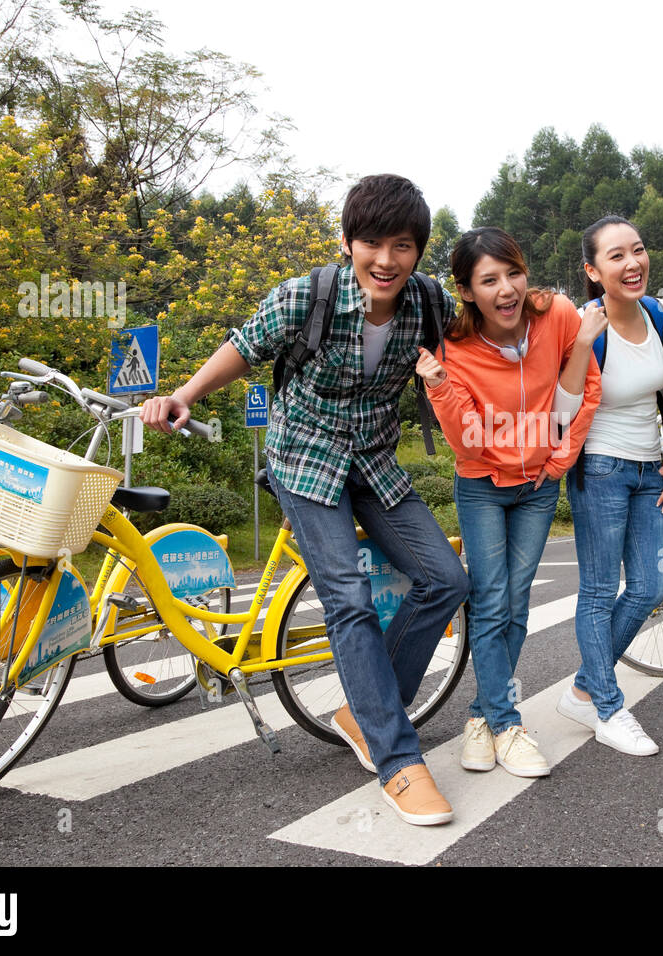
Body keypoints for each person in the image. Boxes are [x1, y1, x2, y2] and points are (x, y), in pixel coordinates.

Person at [140, 173, 469, 827]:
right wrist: (184, 395)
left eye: (401, 245)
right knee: (345, 597)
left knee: (447, 580)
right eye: (371, 242)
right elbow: (243, 345)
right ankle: (397, 760)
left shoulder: (426, 304)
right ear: (348, 242)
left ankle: (366, 711)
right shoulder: (305, 298)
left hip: (373, 462)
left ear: (417, 251)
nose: (385, 259)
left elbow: (490, 326)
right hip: (305, 461)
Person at [417, 226, 602, 779]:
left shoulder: (559, 316)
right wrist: (438, 385)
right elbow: (464, 436)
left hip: (540, 485)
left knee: (515, 602)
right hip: (481, 485)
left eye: (513, 273)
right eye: (489, 280)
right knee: (492, 598)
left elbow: (586, 389)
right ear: (468, 291)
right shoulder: (456, 344)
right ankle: (505, 721)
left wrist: (556, 461)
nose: (506, 289)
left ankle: (479, 715)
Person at [555, 216, 663, 756]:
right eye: (615, 256)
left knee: (652, 588)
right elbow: (560, 410)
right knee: (601, 593)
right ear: (593, 270)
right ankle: (607, 707)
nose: (632, 264)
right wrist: (583, 343)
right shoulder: (584, 325)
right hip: (600, 469)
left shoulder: (658, 314)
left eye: (638, 250)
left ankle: (585, 686)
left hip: (650, 469)